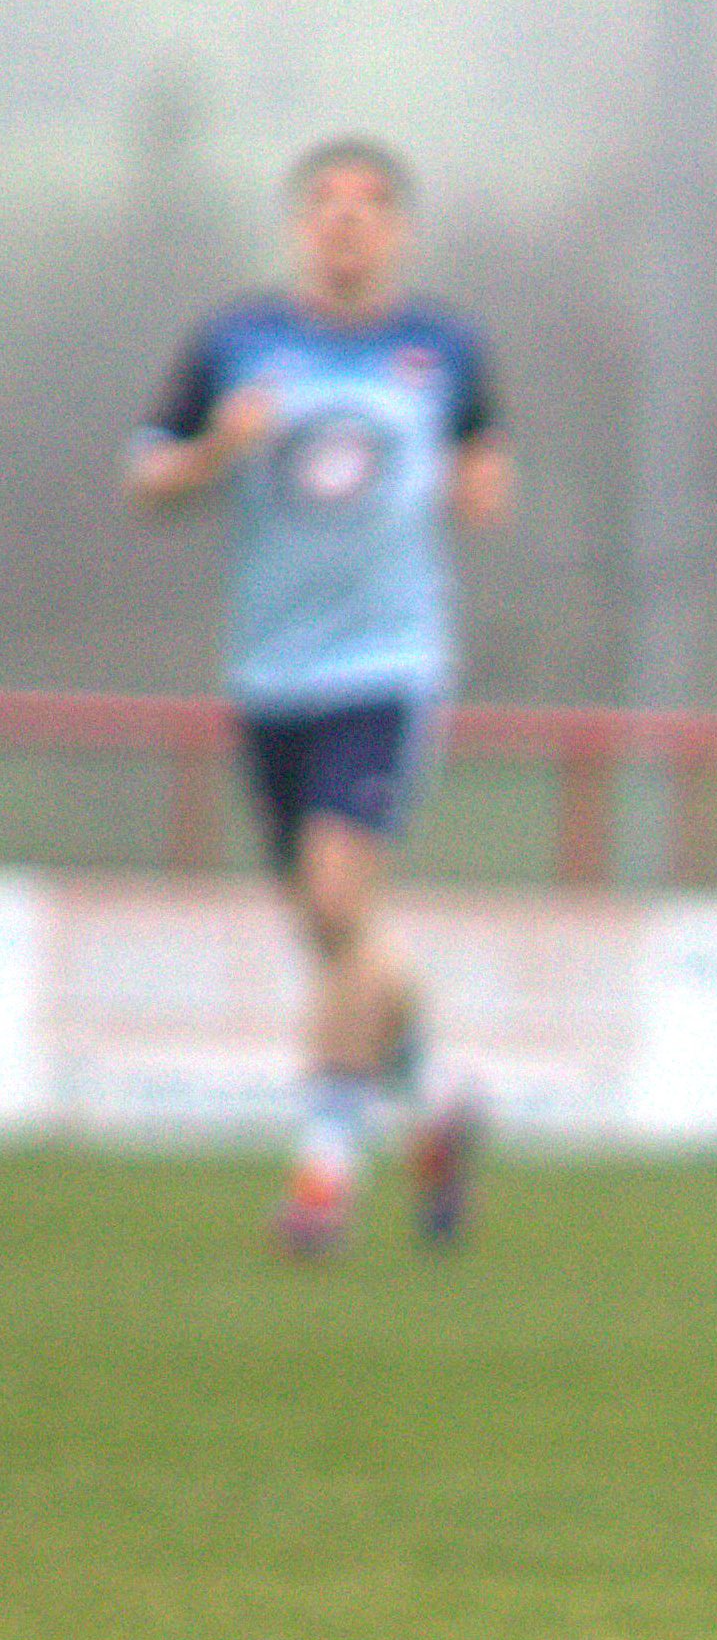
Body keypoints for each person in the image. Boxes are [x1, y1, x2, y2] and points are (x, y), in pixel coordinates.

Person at [123, 136, 510, 1257]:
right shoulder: (238, 342)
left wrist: (480, 488)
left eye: (371, 206)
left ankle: (322, 1183)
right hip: (269, 672)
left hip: (387, 667)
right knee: (330, 931)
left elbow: (486, 464)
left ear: (399, 231)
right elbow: (147, 479)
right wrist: (213, 452)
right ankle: (435, 1099)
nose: (348, 224)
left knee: (339, 905)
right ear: (299, 226)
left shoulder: (441, 350)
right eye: (327, 206)